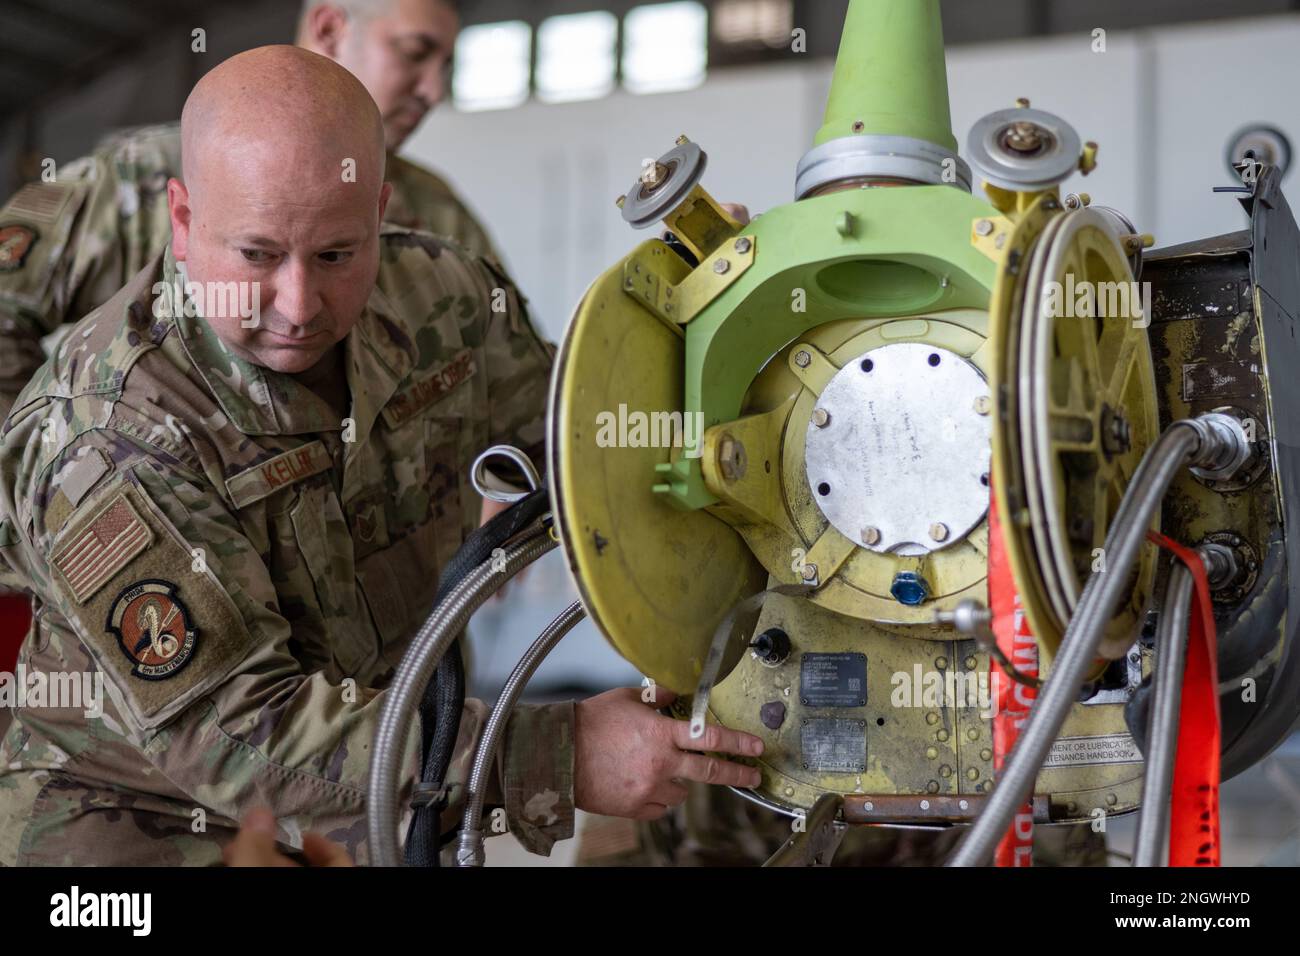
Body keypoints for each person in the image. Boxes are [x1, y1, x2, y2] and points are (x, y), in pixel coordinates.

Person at [0, 46, 764, 866]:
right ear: (182, 221)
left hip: (388, 782)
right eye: (256, 255)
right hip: (132, 826)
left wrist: (711, 375)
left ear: (381, 212)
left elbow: (584, 455)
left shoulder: (441, 298)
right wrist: (557, 753)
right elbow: (234, 734)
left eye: (336, 254)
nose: (298, 306)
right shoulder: (103, 431)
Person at [0, 0, 494, 422]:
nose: (433, 90)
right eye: (415, 53)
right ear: (330, 29)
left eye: (446, 64)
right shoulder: (138, 178)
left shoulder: (434, 208)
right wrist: (35, 469)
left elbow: (498, 367)